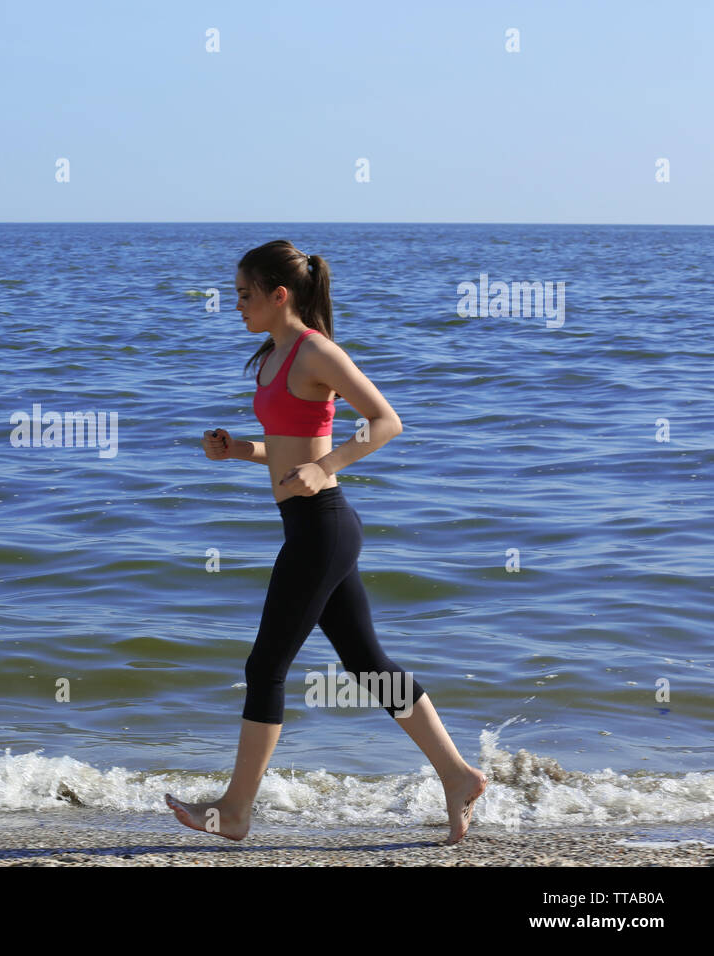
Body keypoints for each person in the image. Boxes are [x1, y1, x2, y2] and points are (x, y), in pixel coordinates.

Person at [165, 240, 487, 845]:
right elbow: (289, 446)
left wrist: (327, 466)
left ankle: (235, 810)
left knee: (266, 665)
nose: (235, 305)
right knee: (369, 665)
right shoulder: (272, 355)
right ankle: (458, 774)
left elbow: (386, 420)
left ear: (278, 295)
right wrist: (240, 449)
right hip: (308, 527)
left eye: (243, 294)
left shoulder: (316, 351)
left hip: (324, 526)